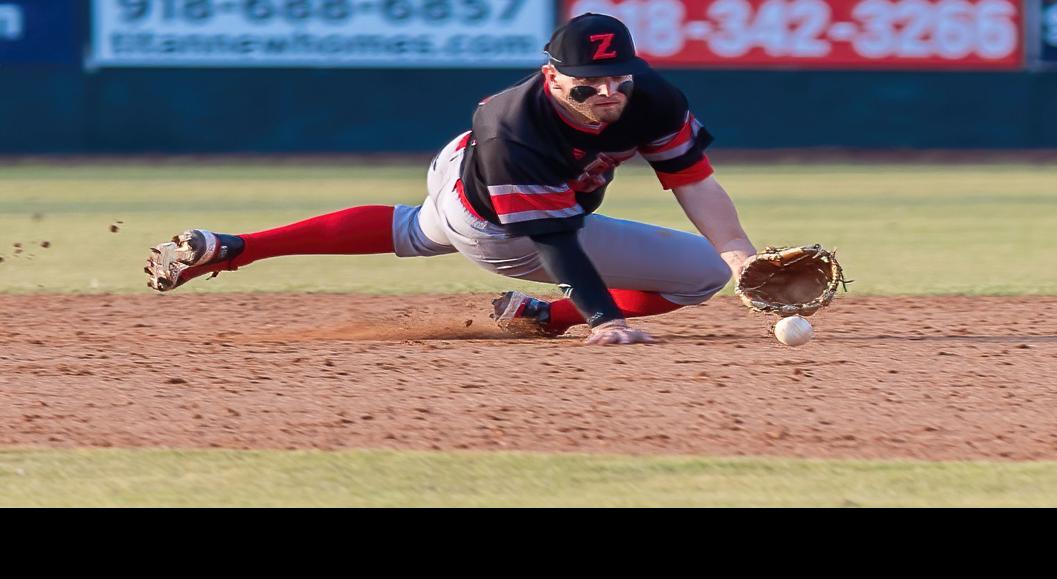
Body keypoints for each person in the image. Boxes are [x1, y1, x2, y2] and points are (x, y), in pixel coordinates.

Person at [144, 13, 756, 346]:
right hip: (502, 224)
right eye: (587, 82)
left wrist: (744, 260)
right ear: (551, 74)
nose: (607, 92)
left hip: (459, 172)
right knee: (697, 274)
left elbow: (693, 180)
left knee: (416, 228)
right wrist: (603, 318)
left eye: (619, 77)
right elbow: (554, 237)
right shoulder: (516, 126)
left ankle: (238, 247)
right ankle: (550, 318)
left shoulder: (649, 96)